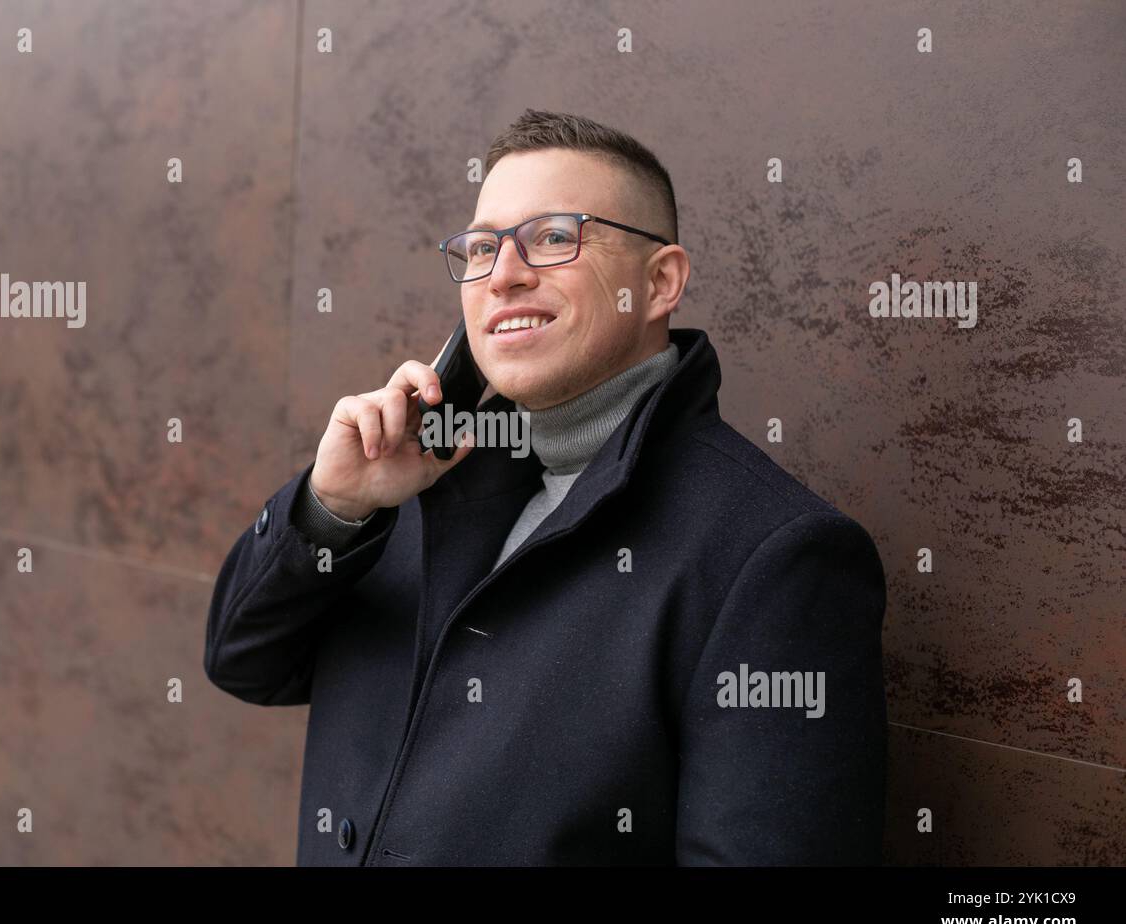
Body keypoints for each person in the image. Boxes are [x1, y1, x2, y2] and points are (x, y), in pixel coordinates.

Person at [205, 108, 888, 866]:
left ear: (660, 282)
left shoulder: (773, 557)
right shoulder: (412, 483)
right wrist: (334, 508)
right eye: (482, 247)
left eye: (555, 237)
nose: (503, 275)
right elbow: (245, 662)